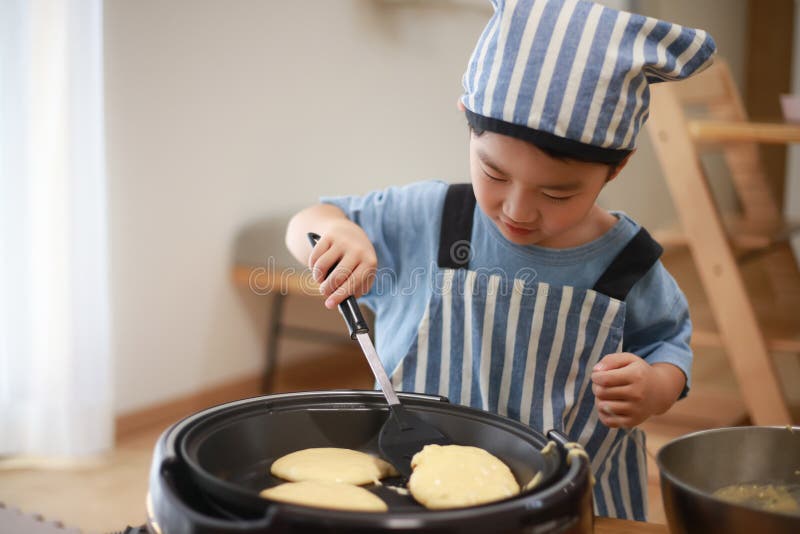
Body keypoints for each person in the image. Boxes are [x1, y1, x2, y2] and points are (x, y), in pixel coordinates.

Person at [285, 0, 715, 521]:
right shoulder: (430, 218)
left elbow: (670, 346)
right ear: (468, 123)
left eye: (557, 195)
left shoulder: (628, 264)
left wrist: (653, 387)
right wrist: (337, 234)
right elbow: (308, 220)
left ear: (617, 168)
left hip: (574, 504)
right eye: (494, 173)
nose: (517, 210)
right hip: (415, 488)